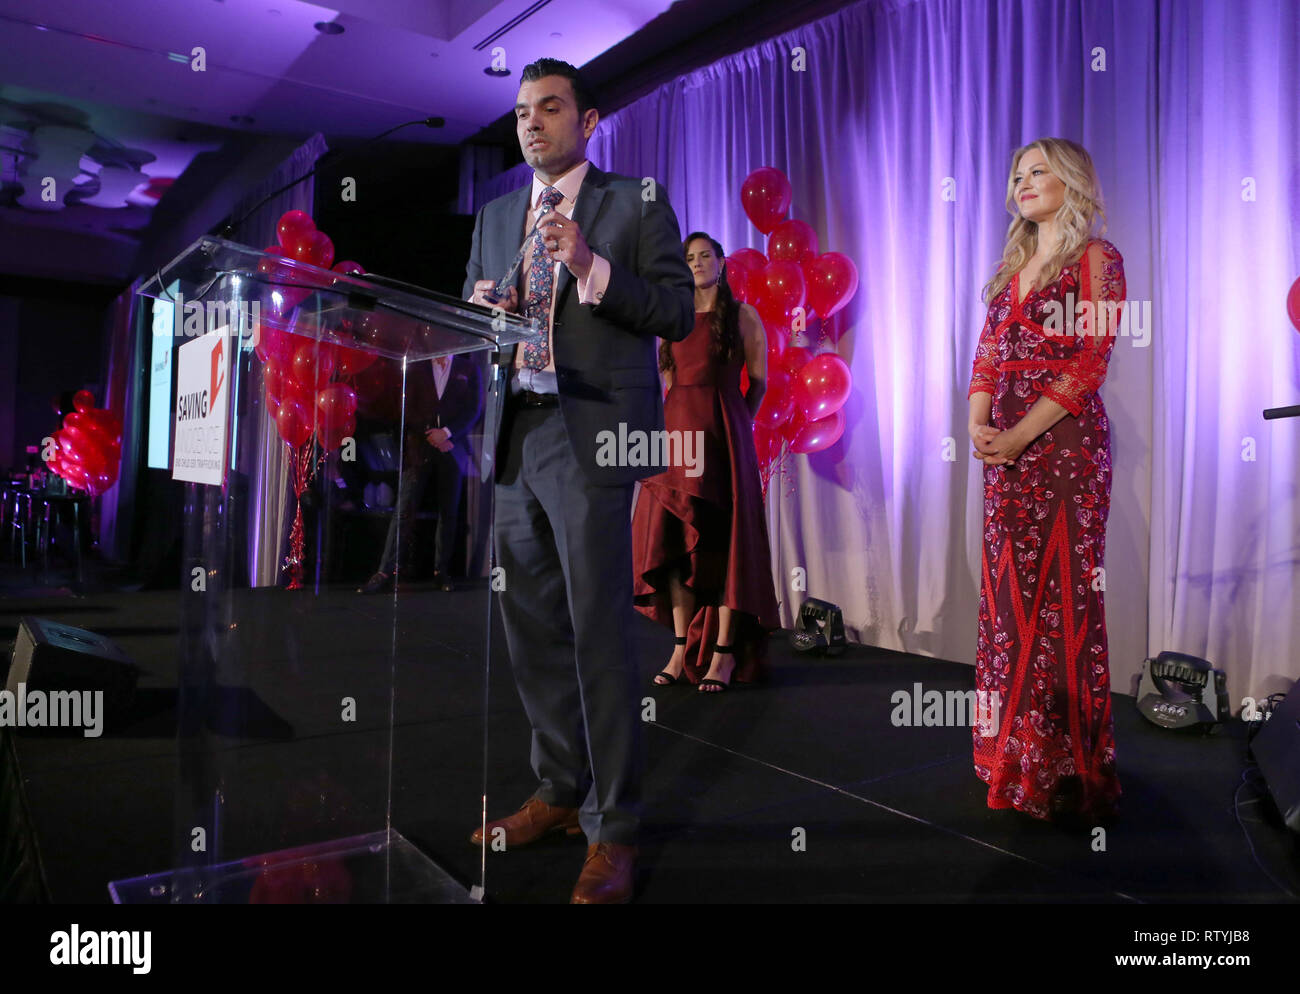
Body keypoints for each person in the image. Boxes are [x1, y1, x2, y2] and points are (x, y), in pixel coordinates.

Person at [463, 58, 694, 902]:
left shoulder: (635, 200)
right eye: (522, 111)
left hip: (594, 433)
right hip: (514, 433)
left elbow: (675, 310)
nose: (531, 123)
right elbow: (469, 313)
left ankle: (614, 828)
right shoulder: (493, 216)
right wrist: (483, 313)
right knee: (531, 632)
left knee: (599, 632)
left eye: (550, 108)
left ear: (587, 121)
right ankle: (559, 792)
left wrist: (593, 266)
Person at [967, 137, 1125, 823]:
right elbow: (987, 354)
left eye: (1039, 171)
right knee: (1008, 598)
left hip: (1063, 447)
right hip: (1003, 447)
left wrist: (1018, 435)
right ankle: (1011, 752)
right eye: (1017, 175)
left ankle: (1064, 770)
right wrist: (978, 423)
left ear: (1071, 181)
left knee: (1060, 598)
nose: (1024, 183)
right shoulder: (1009, 269)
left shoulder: (1097, 260)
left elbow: (1091, 361)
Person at [632, 233, 780, 692]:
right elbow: (669, 381)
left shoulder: (742, 316)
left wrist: (733, 427)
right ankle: (679, 649)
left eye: (705, 257)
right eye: (690, 259)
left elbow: (756, 382)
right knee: (675, 543)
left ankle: (722, 655)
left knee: (725, 544)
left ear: (721, 262)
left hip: (723, 438)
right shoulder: (671, 318)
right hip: (675, 437)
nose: (697, 264)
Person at [358, 353, 482, 593]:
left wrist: (447, 433)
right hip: (419, 448)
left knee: (449, 512)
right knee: (404, 510)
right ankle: (384, 570)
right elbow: (406, 407)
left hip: (452, 448)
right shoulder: (417, 366)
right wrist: (432, 434)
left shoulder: (469, 368)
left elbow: (473, 409)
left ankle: (441, 572)